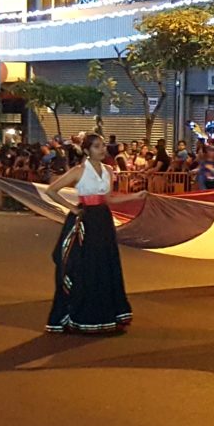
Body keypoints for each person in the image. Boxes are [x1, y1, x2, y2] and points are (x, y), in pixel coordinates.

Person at [44, 134, 132, 334]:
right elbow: (52, 190)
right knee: (86, 266)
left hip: (103, 220)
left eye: (102, 146)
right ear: (86, 150)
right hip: (86, 220)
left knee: (105, 264)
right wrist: (73, 209)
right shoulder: (79, 171)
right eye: (97, 147)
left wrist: (137, 196)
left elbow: (108, 198)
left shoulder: (109, 170)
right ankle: (83, 313)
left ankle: (107, 312)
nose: (102, 150)